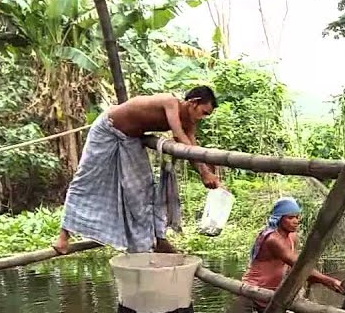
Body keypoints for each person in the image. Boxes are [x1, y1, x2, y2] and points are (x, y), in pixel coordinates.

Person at [52, 86, 223, 255]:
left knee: (144, 188)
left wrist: (205, 170)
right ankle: (63, 238)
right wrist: (205, 172)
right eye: (204, 112)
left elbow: (191, 146)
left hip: (131, 139)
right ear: (193, 103)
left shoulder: (189, 121)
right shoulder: (170, 102)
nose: (203, 117)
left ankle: (157, 240)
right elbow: (179, 136)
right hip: (108, 129)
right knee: (86, 181)